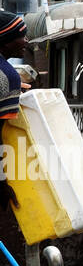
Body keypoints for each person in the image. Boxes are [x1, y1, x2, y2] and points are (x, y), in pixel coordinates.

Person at [0, 11, 29, 209]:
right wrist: (2, 183)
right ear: (6, 40)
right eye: (22, 36)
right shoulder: (8, 76)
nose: (26, 41)